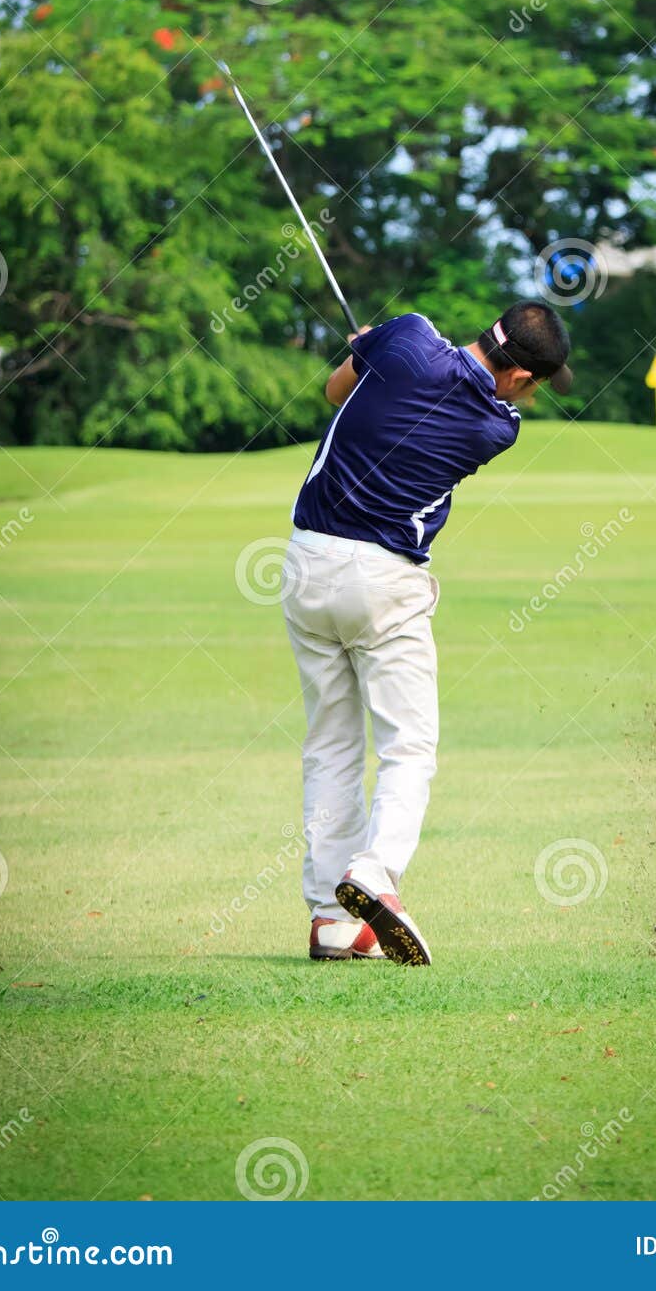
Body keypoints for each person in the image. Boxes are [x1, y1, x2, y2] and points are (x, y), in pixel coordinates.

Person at [281, 301, 572, 965]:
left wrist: (369, 348)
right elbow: (442, 389)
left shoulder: (407, 333)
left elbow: (336, 391)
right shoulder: (498, 426)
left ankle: (331, 918)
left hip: (305, 563)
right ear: (522, 378)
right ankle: (376, 873)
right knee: (408, 749)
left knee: (330, 745)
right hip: (383, 582)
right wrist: (374, 351)